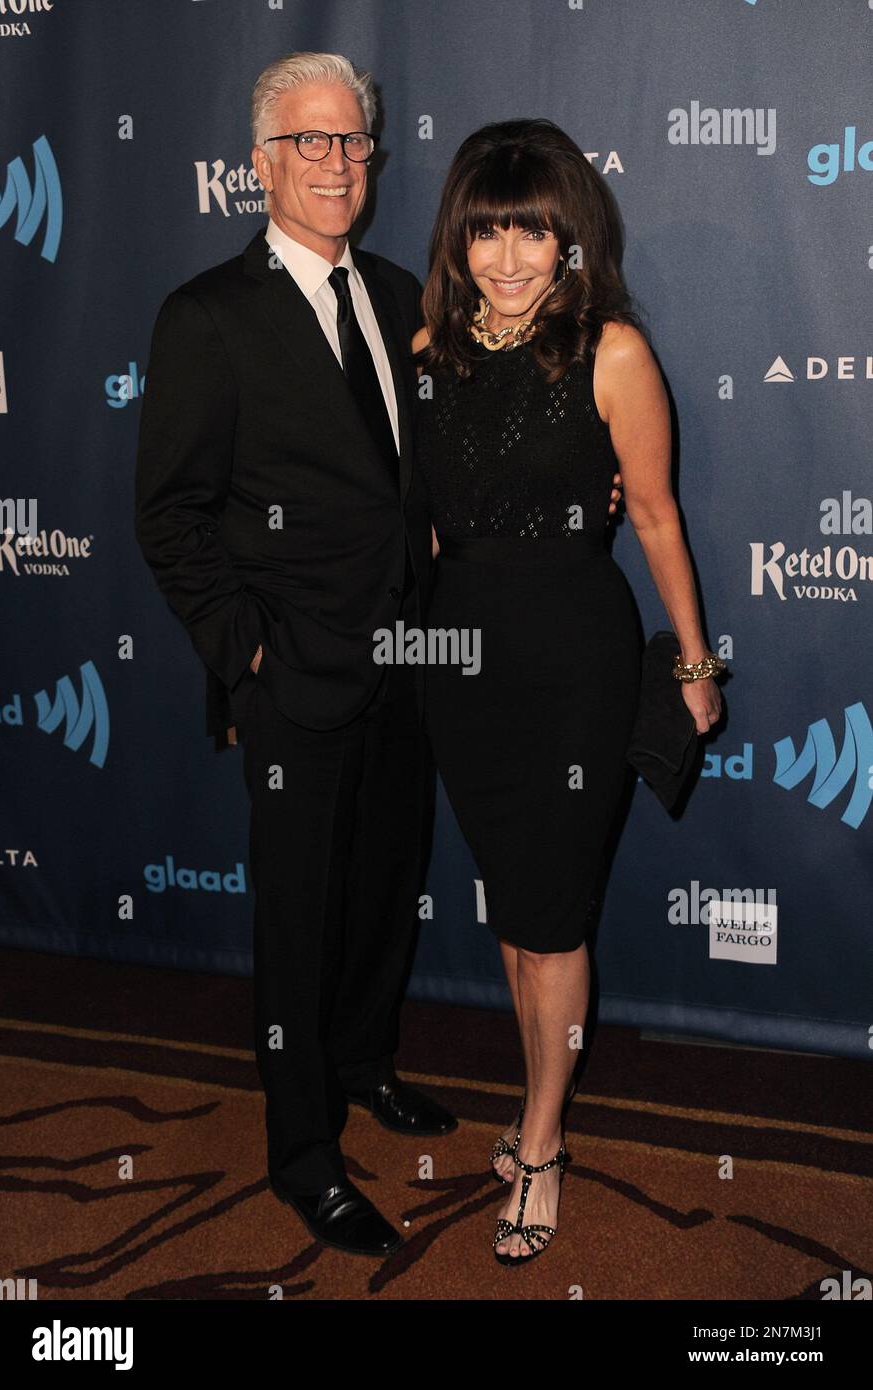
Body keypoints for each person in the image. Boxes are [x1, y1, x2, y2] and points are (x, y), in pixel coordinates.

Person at [134, 52, 462, 1259]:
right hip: (293, 678)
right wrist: (248, 655)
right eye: (310, 143)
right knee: (299, 916)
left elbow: (406, 483)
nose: (336, 163)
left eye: (352, 143)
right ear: (261, 164)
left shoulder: (395, 293)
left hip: (405, 664)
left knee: (383, 888)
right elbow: (168, 513)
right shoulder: (206, 317)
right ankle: (302, 1151)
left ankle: (366, 1062)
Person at [412, 118, 725, 1265]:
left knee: (552, 921)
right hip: (461, 662)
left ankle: (543, 1136)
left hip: (574, 664)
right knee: (512, 910)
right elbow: (429, 521)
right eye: (487, 229)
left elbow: (652, 517)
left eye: (530, 230)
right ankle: (536, 1093)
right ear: (460, 234)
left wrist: (692, 665)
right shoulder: (428, 349)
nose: (506, 255)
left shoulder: (613, 351)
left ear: (569, 238)